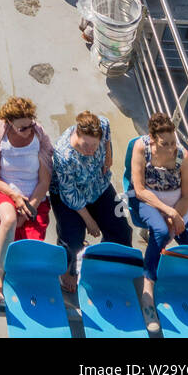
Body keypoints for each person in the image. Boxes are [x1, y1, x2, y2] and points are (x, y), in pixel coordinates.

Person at [129, 113, 188, 330]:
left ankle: (180, 287)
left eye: (173, 142)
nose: (171, 148)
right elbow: (139, 190)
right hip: (151, 200)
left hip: (178, 204)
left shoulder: (182, 156)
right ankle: (148, 285)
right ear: (152, 138)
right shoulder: (141, 148)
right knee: (160, 232)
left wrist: (175, 214)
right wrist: (168, 213)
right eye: (165, 143)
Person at [0, 97, 54, 306]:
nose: (28, 131)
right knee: (10, 220)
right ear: (9, 123)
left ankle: (21, 281)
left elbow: (44, 180)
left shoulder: (38, 135)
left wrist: (30, 206)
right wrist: (13, 197)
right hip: (3, 190)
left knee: (30, 244)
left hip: (33, 197)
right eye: (22, 128)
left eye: (30, 124)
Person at [50, 111, 132, 292]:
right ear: (76, 134)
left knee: (122, 231)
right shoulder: (64, 155)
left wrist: (108, 154)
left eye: (95, 145)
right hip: (70, 196)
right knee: (72, 240)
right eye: (85, 145)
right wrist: (90, 221)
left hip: (98, 186)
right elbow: (70, 195)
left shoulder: (101, 125)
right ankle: (67, 271)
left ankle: (107, 263)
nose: (91, 150)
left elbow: (106, 125)